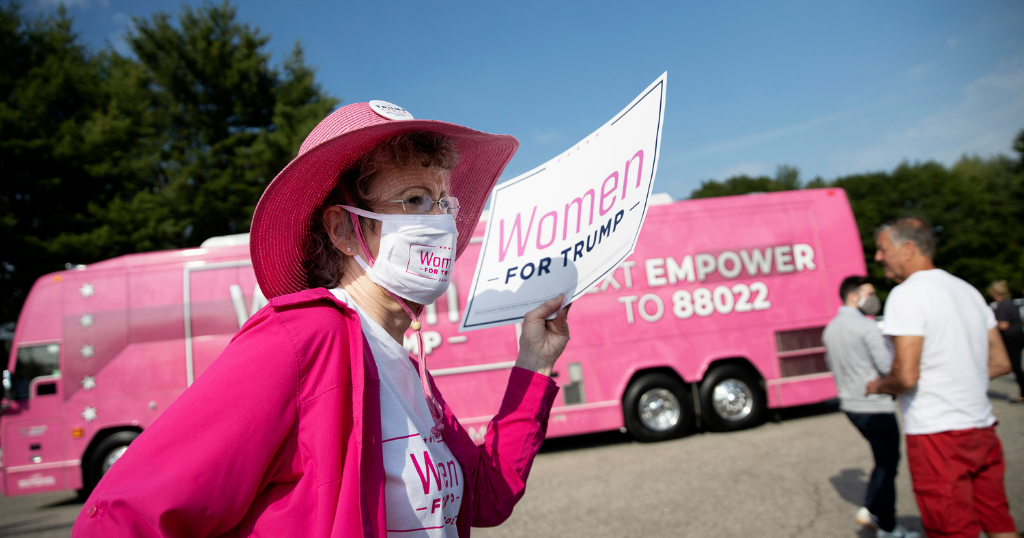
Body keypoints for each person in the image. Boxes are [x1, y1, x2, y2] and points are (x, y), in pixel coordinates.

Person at [72, 101, 572, 537]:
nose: (440, 220)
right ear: (344, 230)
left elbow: (485, 497)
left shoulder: (404, 364)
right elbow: (122, 517)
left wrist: (534, 362)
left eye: (444, 202)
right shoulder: (301, 339)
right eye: (415, 200)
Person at [866, 217, 1019, 538]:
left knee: (951, 529)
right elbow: (1001, 362)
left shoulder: (906, 294)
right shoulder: (968, 291)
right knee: (999, 520)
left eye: (883, 249)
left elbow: (906, 376)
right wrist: (958, 375)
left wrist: (879, 386)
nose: (878, 257)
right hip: (981, 427)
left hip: (937, 434)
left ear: (908, 249)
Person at [823, 276, 918, 538]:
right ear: (853, 296)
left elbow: (831, 364)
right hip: (875, 406)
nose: (874, 298)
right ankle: (887, 527)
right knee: (888, 464)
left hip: (851, 406)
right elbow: (887, 366)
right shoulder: (866, 326)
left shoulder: (830, 329)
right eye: (870, 293)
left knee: (882, 460)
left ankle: (871, 509)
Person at [988, 280, 1024, 403]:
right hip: (1018, 335)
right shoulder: (1010, 303)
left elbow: (1003, 325)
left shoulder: (1002, 306)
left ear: (994, 292)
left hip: (1011, 338)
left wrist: (989, 324)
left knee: (1013, 366)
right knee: (1016, 366)